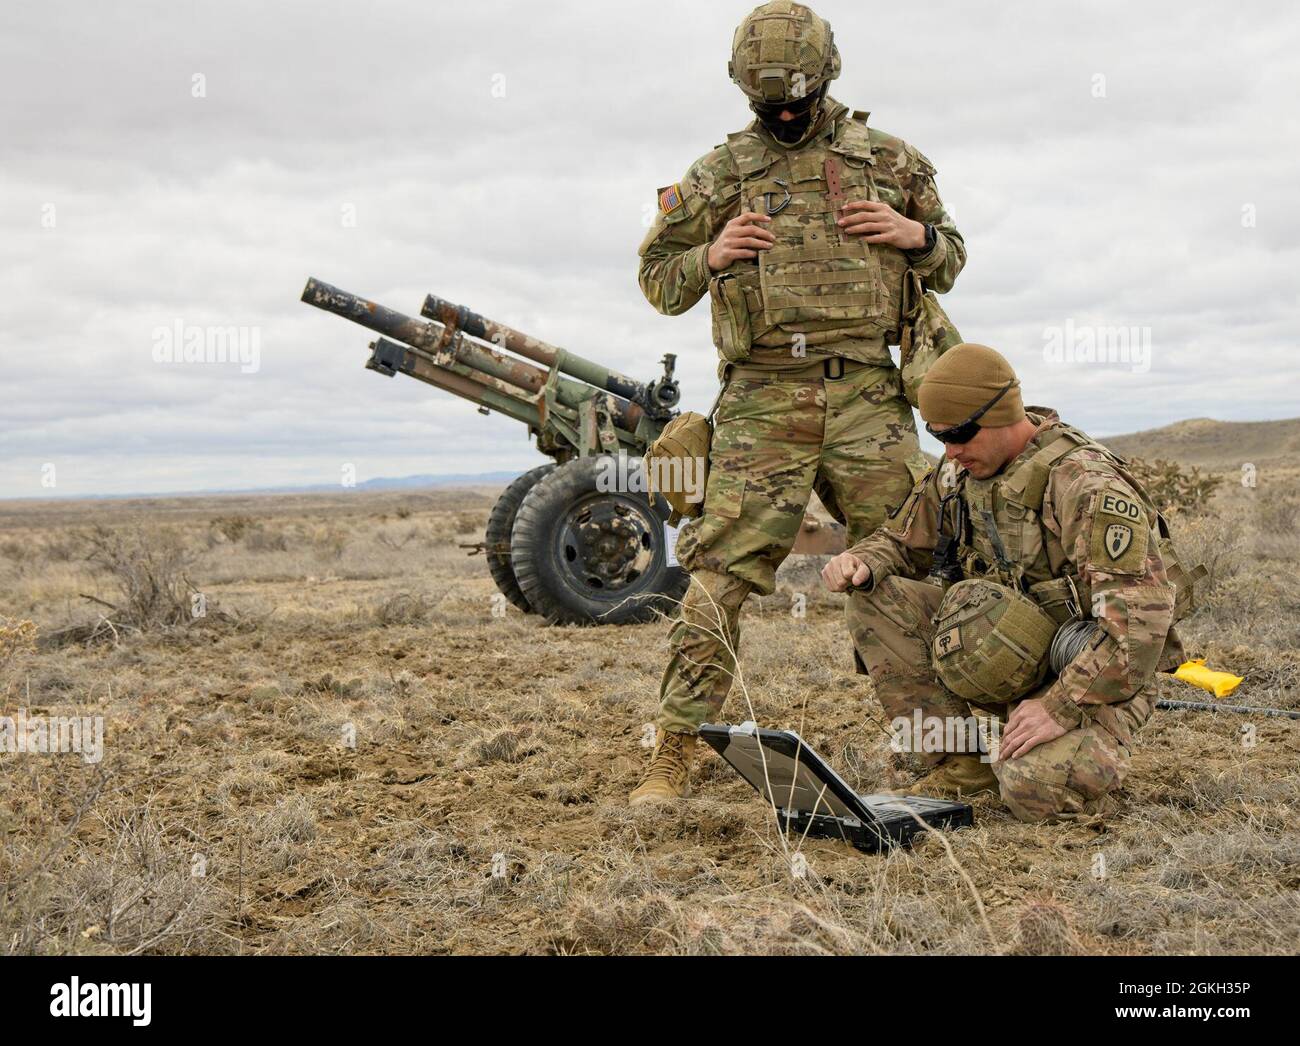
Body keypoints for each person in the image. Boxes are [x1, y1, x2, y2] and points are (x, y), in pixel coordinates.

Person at [630, 0, 966, 804]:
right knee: (719, 573)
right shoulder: (719, 173)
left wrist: (913, 237)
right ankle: (673, 752)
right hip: (763, 397)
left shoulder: (892, 161)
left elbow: (950, 258)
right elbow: (656, 281)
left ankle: (945, 749)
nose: (783, 113)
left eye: (797, 97)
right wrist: (709, 255)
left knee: (911, 564)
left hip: (866, 394)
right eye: (765, 102)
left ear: (827, 79)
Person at [822, 343, 1197, 822]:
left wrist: (1057, 707)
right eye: (938, 437)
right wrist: (863, 559)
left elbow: (1141, 631)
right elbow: (902, 539)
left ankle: (1060, 745)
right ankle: (959, 764)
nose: (951, 450)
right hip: (1003, 652)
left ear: (1000, 414)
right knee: (873, 599)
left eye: (959, 434)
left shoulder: (1085, 485)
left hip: (1091, 673)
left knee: (1033, 792)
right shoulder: (957, 470)